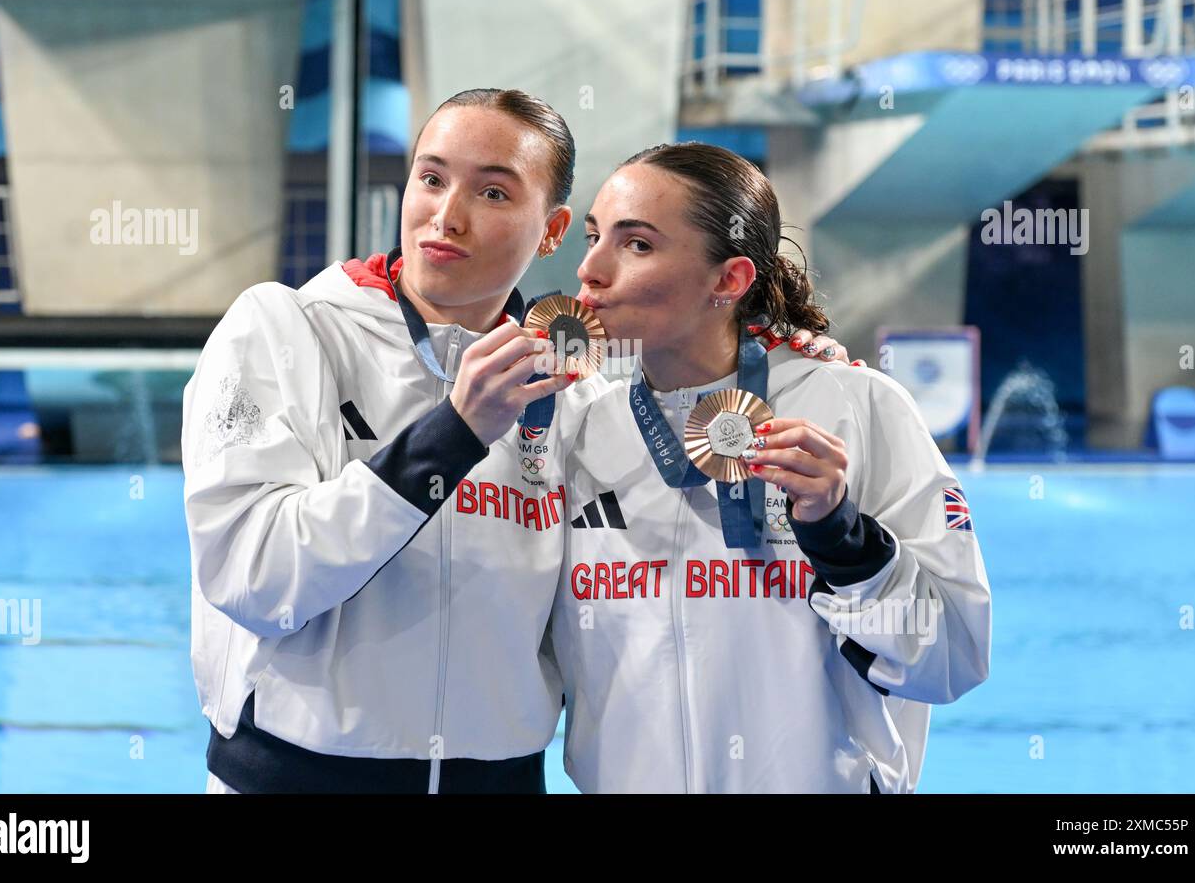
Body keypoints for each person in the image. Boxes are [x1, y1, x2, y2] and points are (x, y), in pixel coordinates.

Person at [184, 88, 844, 794]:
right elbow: (254, 577)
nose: (447, 216)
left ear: (553, 229)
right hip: (296, 779)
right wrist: (452, 435)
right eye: (431, 178)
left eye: (493, 193)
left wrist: (781, 361)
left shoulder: (581, 394)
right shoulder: (287, 332)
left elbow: (669, 587)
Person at [552, 142, 992, 792]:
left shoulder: (857, 406)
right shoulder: (581, 429)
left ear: (728, 280)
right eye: (593, 237)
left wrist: (845, 541)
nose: (590, 269)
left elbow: (953, 654)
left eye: (637, 244)